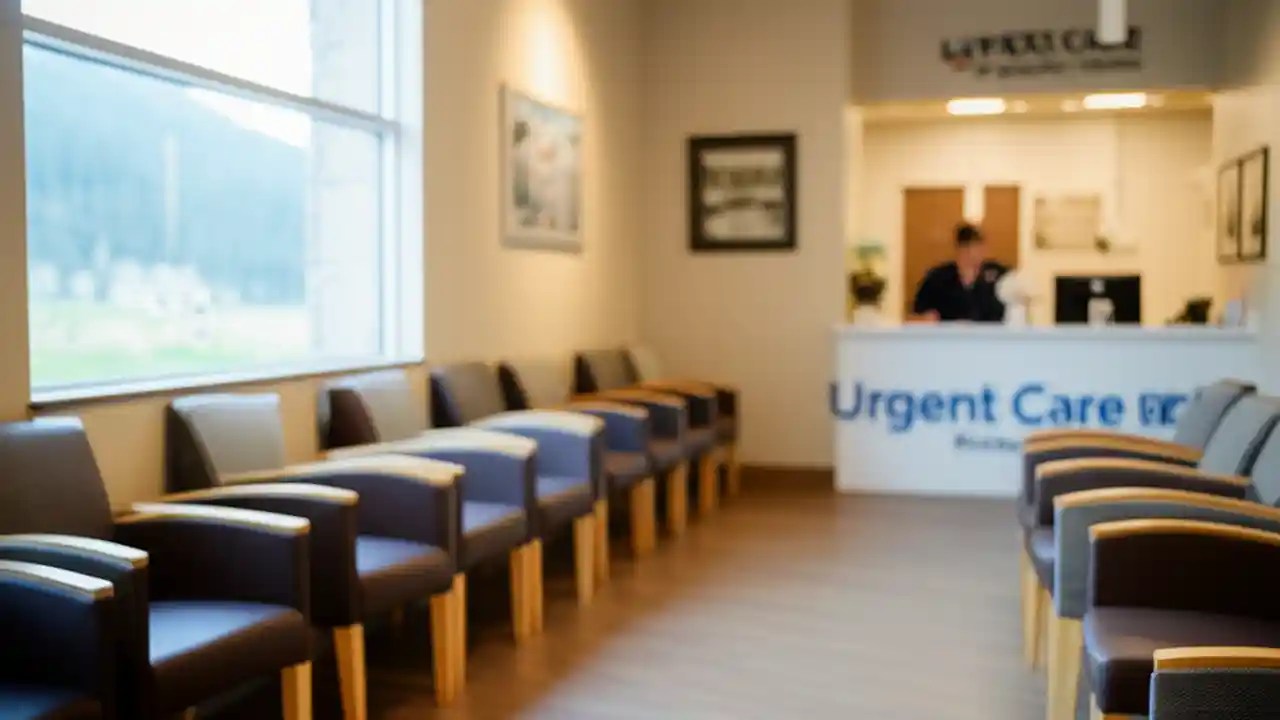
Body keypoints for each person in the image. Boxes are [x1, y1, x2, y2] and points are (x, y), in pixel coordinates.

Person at [911, 223, 1007, 323]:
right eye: (966, 248)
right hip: (949, 337)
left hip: (991, 336)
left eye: (977, 247)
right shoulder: (937, 279)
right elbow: (918, 316)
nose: (972, 254)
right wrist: (926, 319)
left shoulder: (999, 276)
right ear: (958, 250)